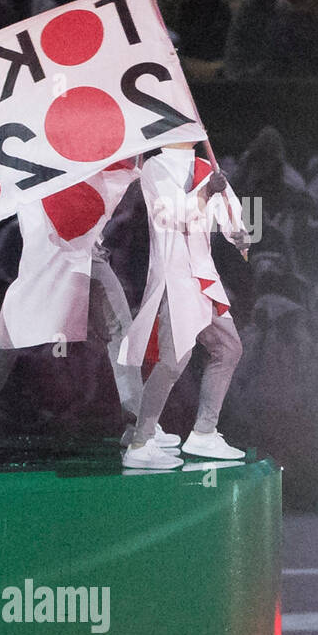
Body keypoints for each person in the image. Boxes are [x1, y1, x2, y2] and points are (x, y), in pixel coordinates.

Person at [0, 158, 180, 450]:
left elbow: (119, 166)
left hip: (85, 250)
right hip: (48, 248)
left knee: (120, 330)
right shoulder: (36, 151)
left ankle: (138, 425)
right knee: (13, 330)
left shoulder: (83, 143)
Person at [119, 142, 249, 469]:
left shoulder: (207, 167)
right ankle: (140, 441)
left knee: (229, 348)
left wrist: (243, 233)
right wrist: (207, 192)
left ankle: (204, 432)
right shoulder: (155, 167)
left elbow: (233, 211)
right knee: (175, 360)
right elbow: (171, 214)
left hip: (203, 277)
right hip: (174, 277)